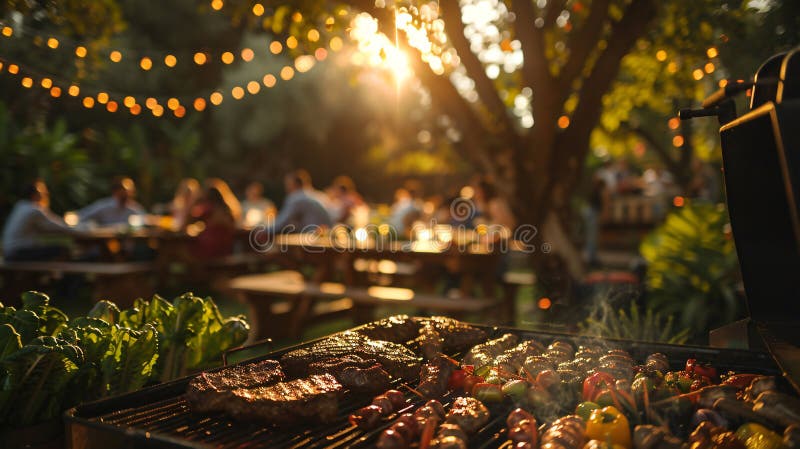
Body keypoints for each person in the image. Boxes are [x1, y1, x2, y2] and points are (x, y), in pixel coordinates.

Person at [2, 179, 72, 261]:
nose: (46, 194)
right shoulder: (34, 210)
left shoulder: (20, 205)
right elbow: (58, 227)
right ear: (35, 194)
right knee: (62, 250)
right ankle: (65, 273)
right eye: (43, 192)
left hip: (9, 252)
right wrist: (76, 227)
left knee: (49, 249)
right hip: (18, 253)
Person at [189, 178, 241, 258]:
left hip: (208, 249)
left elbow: (189, 219)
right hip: (226, 250)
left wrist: (194, 200)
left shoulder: (207, 209)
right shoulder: (228, 210)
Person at [78, 176, 145, 226]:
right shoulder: (104, 206)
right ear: (115, 192)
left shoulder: (135, 209)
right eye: (123, 192)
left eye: (130, 192)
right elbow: (82, 216)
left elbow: (145, 222)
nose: (127, 194)